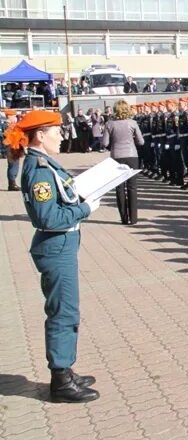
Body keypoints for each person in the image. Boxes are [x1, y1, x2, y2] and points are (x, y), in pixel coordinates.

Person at [3, 110, 101, 402]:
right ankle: (60, 380)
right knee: (63, 312)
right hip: (56, 245)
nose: (61, 136)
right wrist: (86, 209)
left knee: (66, 310)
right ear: (40, 136)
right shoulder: (40, 170)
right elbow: (48, 218)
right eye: (56, 132)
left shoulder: (43, 163)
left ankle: (66, 369)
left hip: (61, 245)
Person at [103, 100, 144, 225]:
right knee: (132, 187)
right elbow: (141, 141)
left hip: (116, 156)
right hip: (131, 155)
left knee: (119, 188)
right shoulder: (133, 123)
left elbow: (104, 143)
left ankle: (124, 218)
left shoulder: (109, 124)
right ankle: (134, 218)